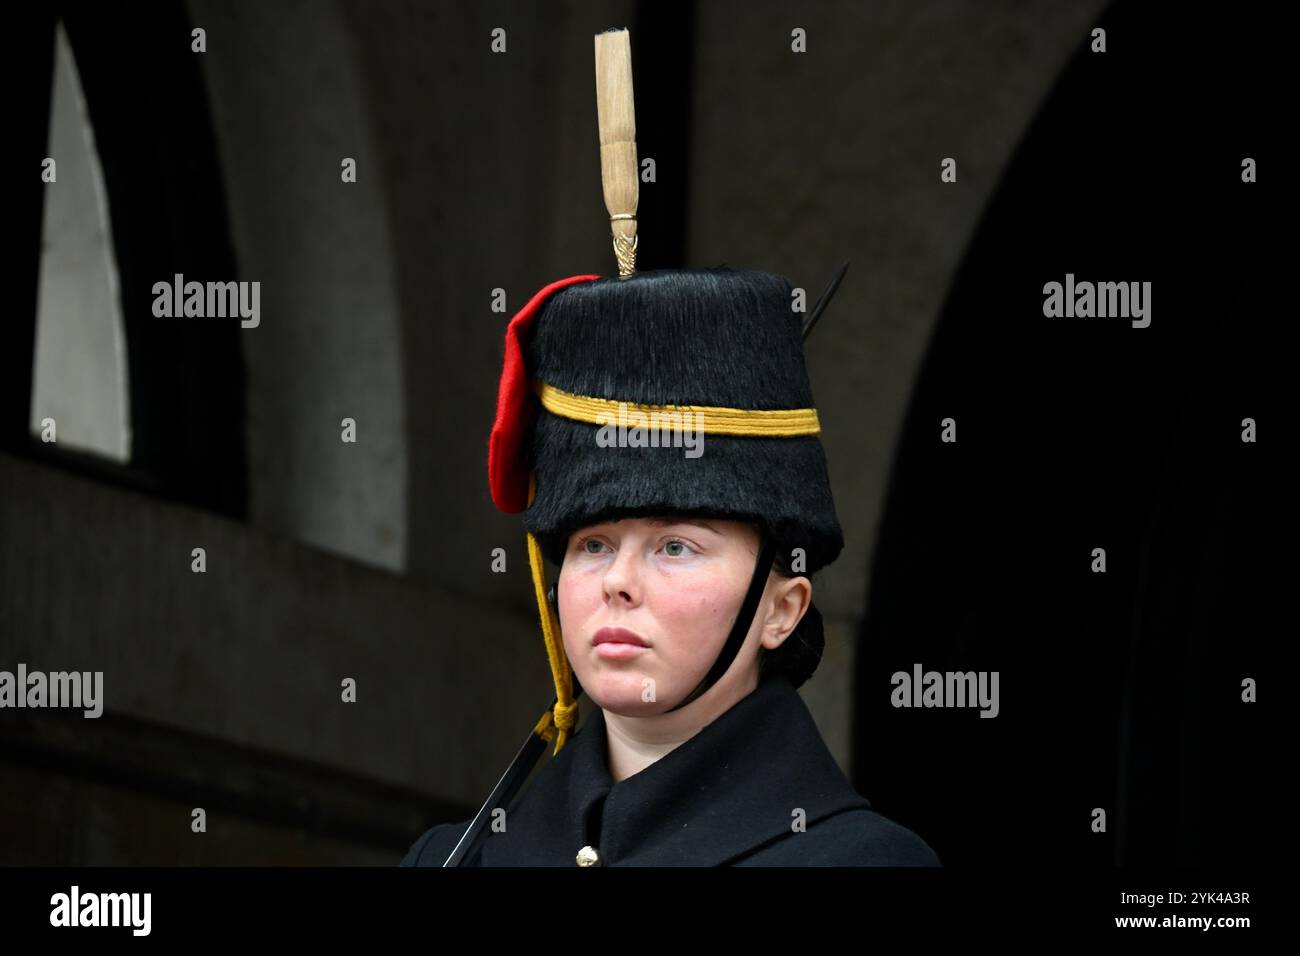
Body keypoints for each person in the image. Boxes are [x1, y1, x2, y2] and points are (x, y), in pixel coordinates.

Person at [401, 267, 941, 866]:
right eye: (594, 545)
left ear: (781, 610)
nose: (617, 582)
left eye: (675, 547)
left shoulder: (866, 863)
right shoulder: (452, 860)